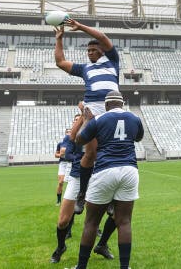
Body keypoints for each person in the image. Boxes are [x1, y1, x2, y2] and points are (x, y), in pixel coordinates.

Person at [54, 17, 120, 214]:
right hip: (91, 112)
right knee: (90, 154)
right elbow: (60, 62)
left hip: (110, 110)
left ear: (102, 50)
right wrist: (59, 39)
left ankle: (108, 198)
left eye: (93, 50)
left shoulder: (112, 61)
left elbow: (102, 36)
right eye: (88, 51)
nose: (90, 53)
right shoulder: (85, 69)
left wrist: (80, 26)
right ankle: (82, 194)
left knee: (108, 155)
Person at [73, 90, 143, 269]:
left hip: (105, 169)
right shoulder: (134, 118)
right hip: (129, 169)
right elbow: (139, 137)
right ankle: (124, 267)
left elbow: (79, 140)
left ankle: (81, 267)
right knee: (125, 221)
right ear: (122, 103)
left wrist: (87, 120)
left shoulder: (100, 119)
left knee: (91, 222)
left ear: (106, 105)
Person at [51, 113, 117, 264]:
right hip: (77, 176)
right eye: (76, 120)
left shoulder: (99, 130)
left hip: (99, 175)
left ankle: (102, 244)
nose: (78, 122)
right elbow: (67, 153)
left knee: (117, 214)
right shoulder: (73, 136)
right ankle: (61, 247)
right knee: (62, 221)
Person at [54, 129, 73, 205]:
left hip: (71, 162)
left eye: (70, 132)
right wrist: (61, 155)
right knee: (61, 182)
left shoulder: (73, 143)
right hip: (63, 163)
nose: (69, 133)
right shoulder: (60, 144)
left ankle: (70, 200)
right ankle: (58, 200)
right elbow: (56, 155)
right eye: (67, 132)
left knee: (70, 182)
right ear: (65, 133)